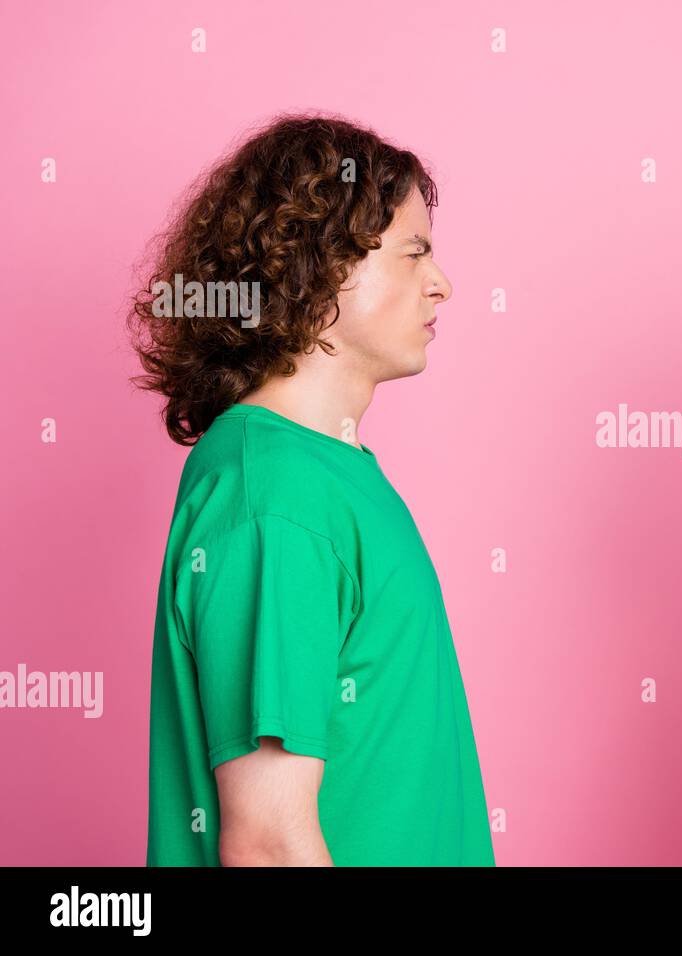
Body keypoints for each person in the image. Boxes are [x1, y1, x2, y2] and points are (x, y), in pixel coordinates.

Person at [129, 113, 495, 866]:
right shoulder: (277, 491)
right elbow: (268, 843)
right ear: (320, 270)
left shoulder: (329, 471)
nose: (442, 283)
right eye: (413, 252)